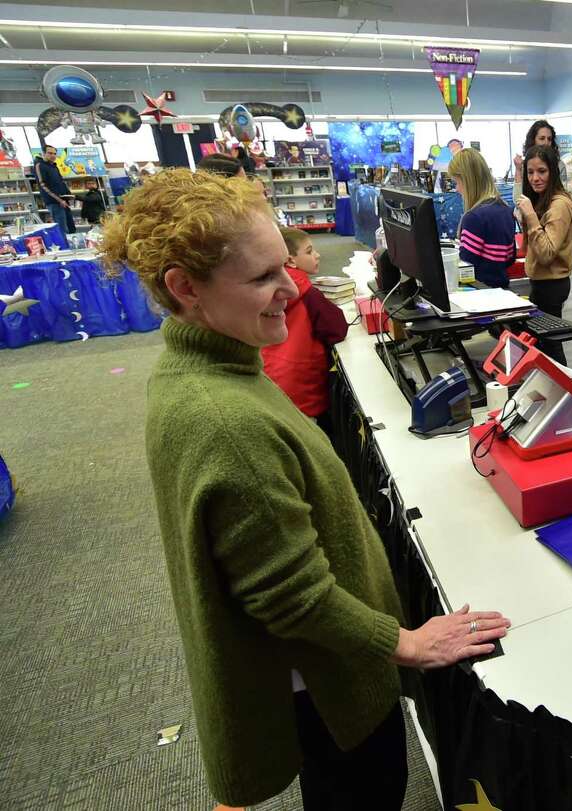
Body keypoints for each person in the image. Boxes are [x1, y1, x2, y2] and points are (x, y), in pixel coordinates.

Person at [97, 169, 510, 810]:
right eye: (263, 277)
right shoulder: (223, 419)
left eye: (284, 267)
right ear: (185, 288)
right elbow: (291, 596)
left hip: (316, 673)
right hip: (330, 680)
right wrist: (406, 645)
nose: (290, 288)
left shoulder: (208, 368)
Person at [261, 227, 348, 436]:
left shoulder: (267, 286)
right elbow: (337, 329)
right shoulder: (306, 293)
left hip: (273, 377)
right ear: (290, 261)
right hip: (302, 388)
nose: (317, 255)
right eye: (309, 251)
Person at [514, 144, 572, 366]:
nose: (535, 178)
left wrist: (531, 216)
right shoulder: (544, 199)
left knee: (550, 347)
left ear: (552, 171)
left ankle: (566, 392)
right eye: (530, 172)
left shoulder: (559, 205)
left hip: (552, 285)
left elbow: (547, 253)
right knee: (543, 345)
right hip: (542, 283)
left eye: (542, 171)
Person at [448, 148, 516, 289]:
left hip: (479, 291)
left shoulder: (474, 218)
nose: (457, 189)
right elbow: (510, 257)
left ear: (468, 181)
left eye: (457, 182)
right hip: (502, 290)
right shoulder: (506, 210)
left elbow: (466, 262)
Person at [512, 119, 563, 198]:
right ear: (533, 140)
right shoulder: (526, 164)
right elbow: (518, 200)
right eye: (542, 138)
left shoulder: (559, 164)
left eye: (549, 139)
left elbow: (562, 191)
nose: (546, 142)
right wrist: (518, 170)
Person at [33, 145, 76, 234]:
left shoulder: (54, 166)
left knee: (71, 227)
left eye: (55, 153)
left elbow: (61, 182)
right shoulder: (40, 165)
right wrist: (59, 200)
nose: (53, 155)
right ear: (43, 154)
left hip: (64, 200)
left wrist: (69, 196)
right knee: (62, 230)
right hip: (55, 203)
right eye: (50, 153)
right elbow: (43, 185)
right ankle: (65, 247)